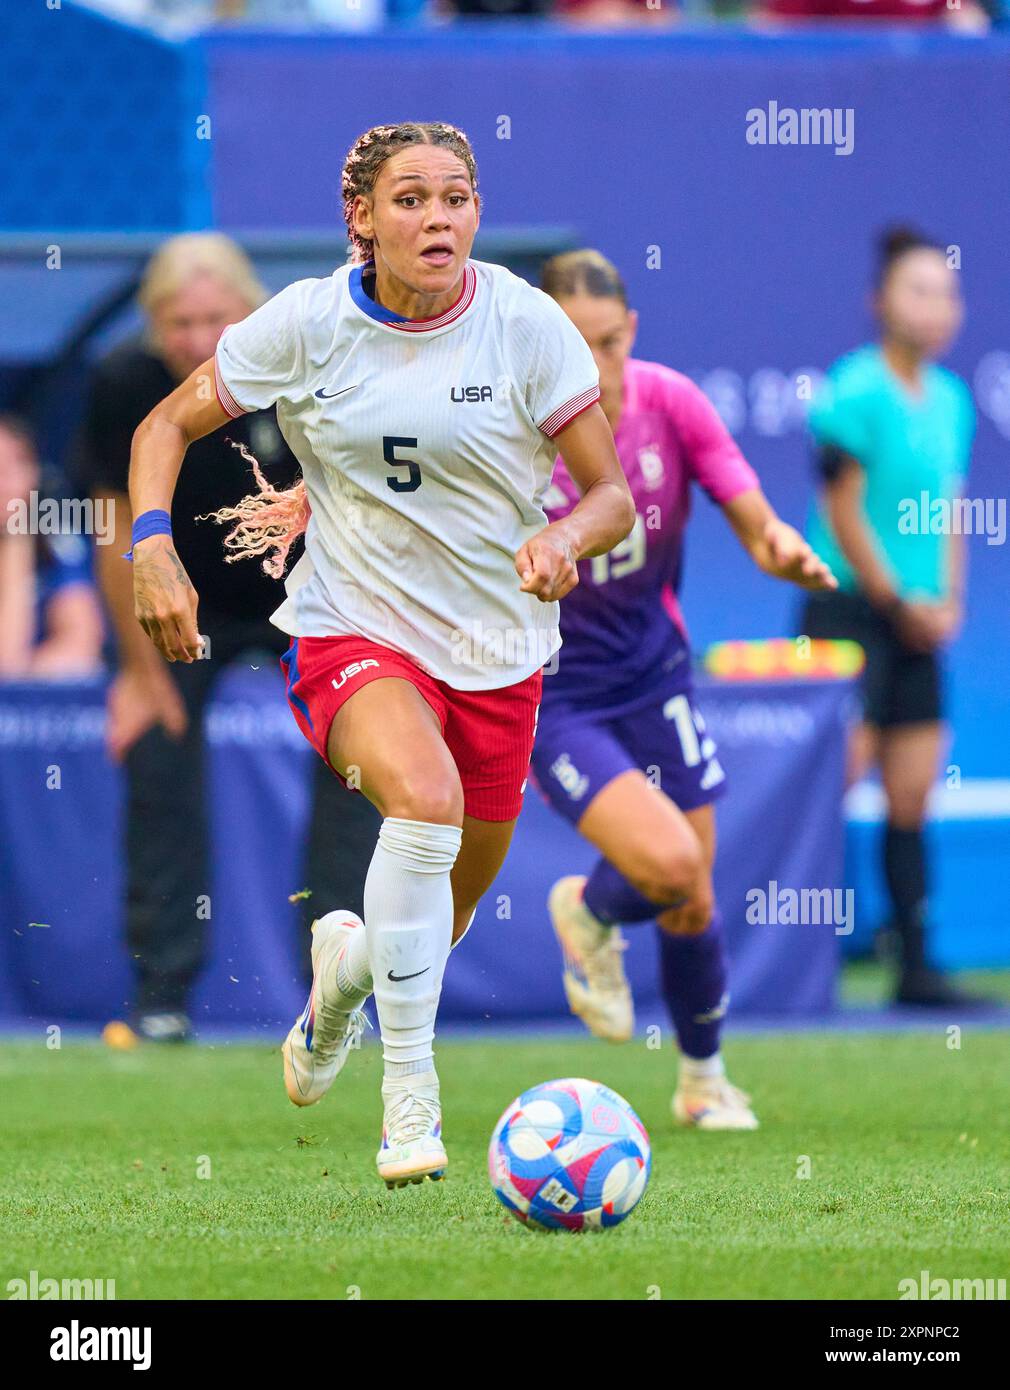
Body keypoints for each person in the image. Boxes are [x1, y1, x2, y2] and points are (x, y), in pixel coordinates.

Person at [124, 122, 634, 1186]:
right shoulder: (308, 323)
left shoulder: (524, 324)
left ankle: (339, 984)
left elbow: (607, 494)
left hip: (496, 650)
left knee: (426, 925)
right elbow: (162, 430)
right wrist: (152, 546)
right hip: (350, 628)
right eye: (409, 199)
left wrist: (559, 537)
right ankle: (411, 1106)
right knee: (424, 801)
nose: (436, 218)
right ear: (361, 218)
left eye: (455, 197)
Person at [529, 250, 836, 1130]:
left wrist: (780, 546)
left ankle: (702, 1084)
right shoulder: (509, 428)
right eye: (572, 346)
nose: (596, 367)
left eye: (610, 341)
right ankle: (587, 909)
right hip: (557, 695)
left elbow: (752, 514)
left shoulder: (670, 403)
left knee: (692, 894)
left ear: (633, 332)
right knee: (671, 865)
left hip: (654, 672)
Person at [77, 233, 381, 1044]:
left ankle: (338, 991)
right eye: (177, 322)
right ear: (152, 325)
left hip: (311, 596)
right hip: (186, 605)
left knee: (359, 760)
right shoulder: (127, 384)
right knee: (157, 749)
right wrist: (141, 675)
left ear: (250, 315)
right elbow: (115, 529)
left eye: (214, 318)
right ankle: (162, 994)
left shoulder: (302, 368)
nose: (196, 338)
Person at [800, 226, 980, 1008]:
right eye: (919, 290)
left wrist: (946, 604)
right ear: (880, 303)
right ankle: (792, 964)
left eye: (946, 292)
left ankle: (915, 966)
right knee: (829, 783)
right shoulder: (853, 389)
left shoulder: (952, 400)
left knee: (911, 794)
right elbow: (843, 512)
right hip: (849, 612)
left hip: (919, 623)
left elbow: (949, 511)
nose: (936, 307)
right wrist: (895, 600)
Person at [0, 416, 104, 679]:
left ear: (34, 473)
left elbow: (81, 645)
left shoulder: (58, 543)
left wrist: (17, 541)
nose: (3, 487)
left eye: (10, 470)